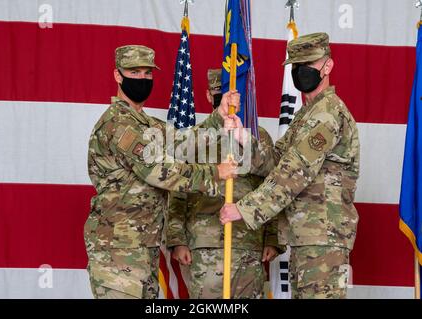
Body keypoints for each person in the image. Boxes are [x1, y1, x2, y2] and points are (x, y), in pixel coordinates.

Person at [84, 45, 239, 299]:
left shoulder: (144, 123)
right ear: (117, 75)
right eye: (134, 72)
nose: (142, 79)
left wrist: (218, 117)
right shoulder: (118, 124)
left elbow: (182, 143)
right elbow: (159, 170)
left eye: (147, 73)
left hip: (142, 250)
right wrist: (214, 174)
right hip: (117, 252)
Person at [220, 33, 360, 299]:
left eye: (308, 65)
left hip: (323, 239)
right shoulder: (307, 114)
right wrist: (243, 139)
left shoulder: (328, 113)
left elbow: (294, 172)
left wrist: (245, 208)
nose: (300, 72)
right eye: (295, 66)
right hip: (307, 236)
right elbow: (277, 159)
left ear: (327, 66)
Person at [167, 69, 286, 299]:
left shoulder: (257, 136)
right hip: (203, 242)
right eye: (219, 93)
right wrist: (177, 240)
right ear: (208, 95)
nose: (227, 100)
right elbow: (178, 188)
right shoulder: (196, 137)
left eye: (232, 94)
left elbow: (272, 186)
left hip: (248, 242)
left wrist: (273, 239)